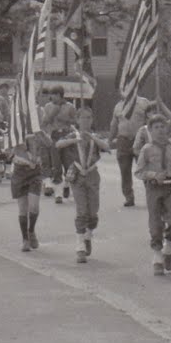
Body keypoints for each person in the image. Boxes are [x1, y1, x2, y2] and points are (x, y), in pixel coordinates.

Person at [56, 106, 107, 263]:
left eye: (89, 118)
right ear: (77, 120)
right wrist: (74, 139)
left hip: (92, 174)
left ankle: (88, 235)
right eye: (83, 118)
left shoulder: (94, 136)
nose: (86, 121)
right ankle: (79, 245)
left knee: (93, 212)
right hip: (78, 175)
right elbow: (58, 144)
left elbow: (107, 147)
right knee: (81, 210)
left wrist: (92, 138)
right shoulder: (73, 135)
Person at [134, 111, 171, 275]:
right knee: (155, 224)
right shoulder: (147, 149)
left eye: (163, 126)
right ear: (150, 130)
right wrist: (154, 175)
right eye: (156, 127)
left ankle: (167, 249)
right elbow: (139, 171)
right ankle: (157, 256)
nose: (160, 130)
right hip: (154, 187)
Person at [8, 129, 47, 252]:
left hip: (35, 172)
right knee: (23, 207)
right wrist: (18, 146)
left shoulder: (37, 127)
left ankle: (31, 231)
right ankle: (25, 239)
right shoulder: (15, 128)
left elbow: (50, 144)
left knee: (34, 206)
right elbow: (8, 153)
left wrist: (42, 134)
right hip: (20, 171)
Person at [109, 98, 146, 208]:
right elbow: (114, 124)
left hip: (140, 140)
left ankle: (152, 195)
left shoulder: (143, 103)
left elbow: (150, 119)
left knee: (145, 168)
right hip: (123, 140)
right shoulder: (118, 105)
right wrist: (110, 140)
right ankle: (129, 197)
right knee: (124, 170)